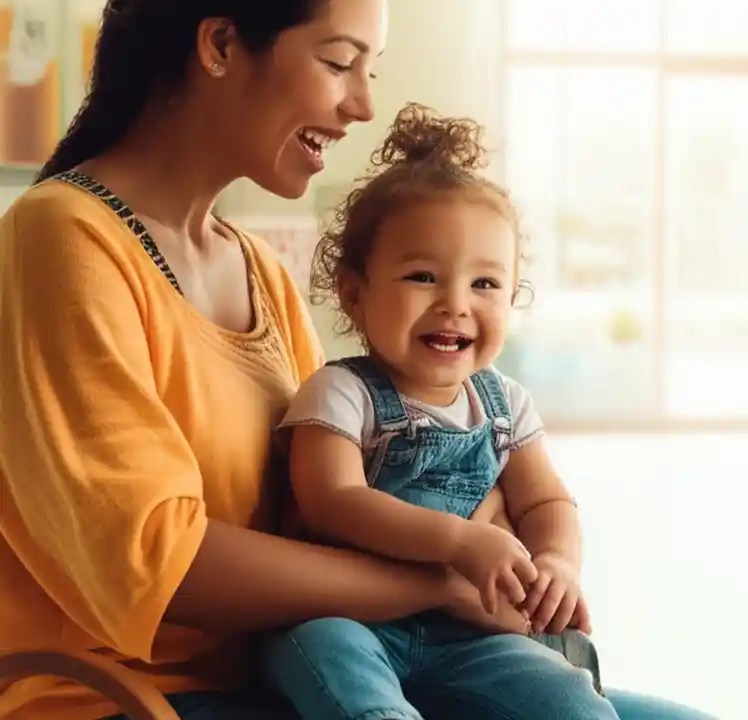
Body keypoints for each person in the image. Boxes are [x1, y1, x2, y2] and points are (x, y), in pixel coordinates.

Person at [0, 2, 711, 719]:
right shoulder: (63, 239)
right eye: (339, 63)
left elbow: (334, 500)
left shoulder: (259, 271)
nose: (364, 105)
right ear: (219, 44)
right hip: (135, 697)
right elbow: (161, 564)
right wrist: (441, 577)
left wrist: (500, 547)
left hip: (311, 668)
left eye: (369, 71)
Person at [261, 102, 612, 719]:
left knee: (571, 702)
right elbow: (330, 498)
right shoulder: (340, 392)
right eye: (423, 276)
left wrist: (557, 559)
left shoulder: (506, 405)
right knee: (329, 655)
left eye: (484, 285)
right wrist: (460, 541)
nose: (455, 304)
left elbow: (546, 501)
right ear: (355, 292)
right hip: (353, 620)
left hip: (469, 638)